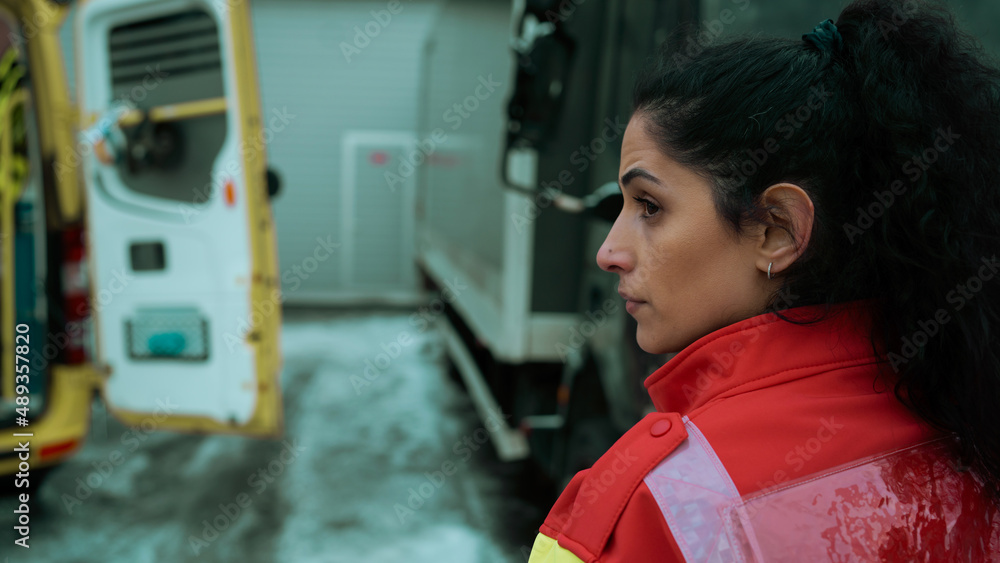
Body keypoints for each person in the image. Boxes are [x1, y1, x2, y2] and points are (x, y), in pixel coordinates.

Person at [527, 0, 1000, 561]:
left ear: (777, 230)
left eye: (649, 206)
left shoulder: (656, 504)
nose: (610, 252)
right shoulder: (967, 425)